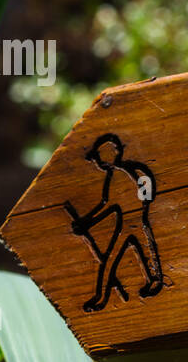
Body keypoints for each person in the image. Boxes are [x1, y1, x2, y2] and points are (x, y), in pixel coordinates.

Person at [66, 133, 164, 311]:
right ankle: (151, 282)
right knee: (140, 254)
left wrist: (86, 223)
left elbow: (109, 206)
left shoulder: (118, 175)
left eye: (99, 157)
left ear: (112, 154)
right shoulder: (121, 173)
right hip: (134, 221)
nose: (98, 162)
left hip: (129, 223)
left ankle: (102, 296)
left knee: (114, 260)